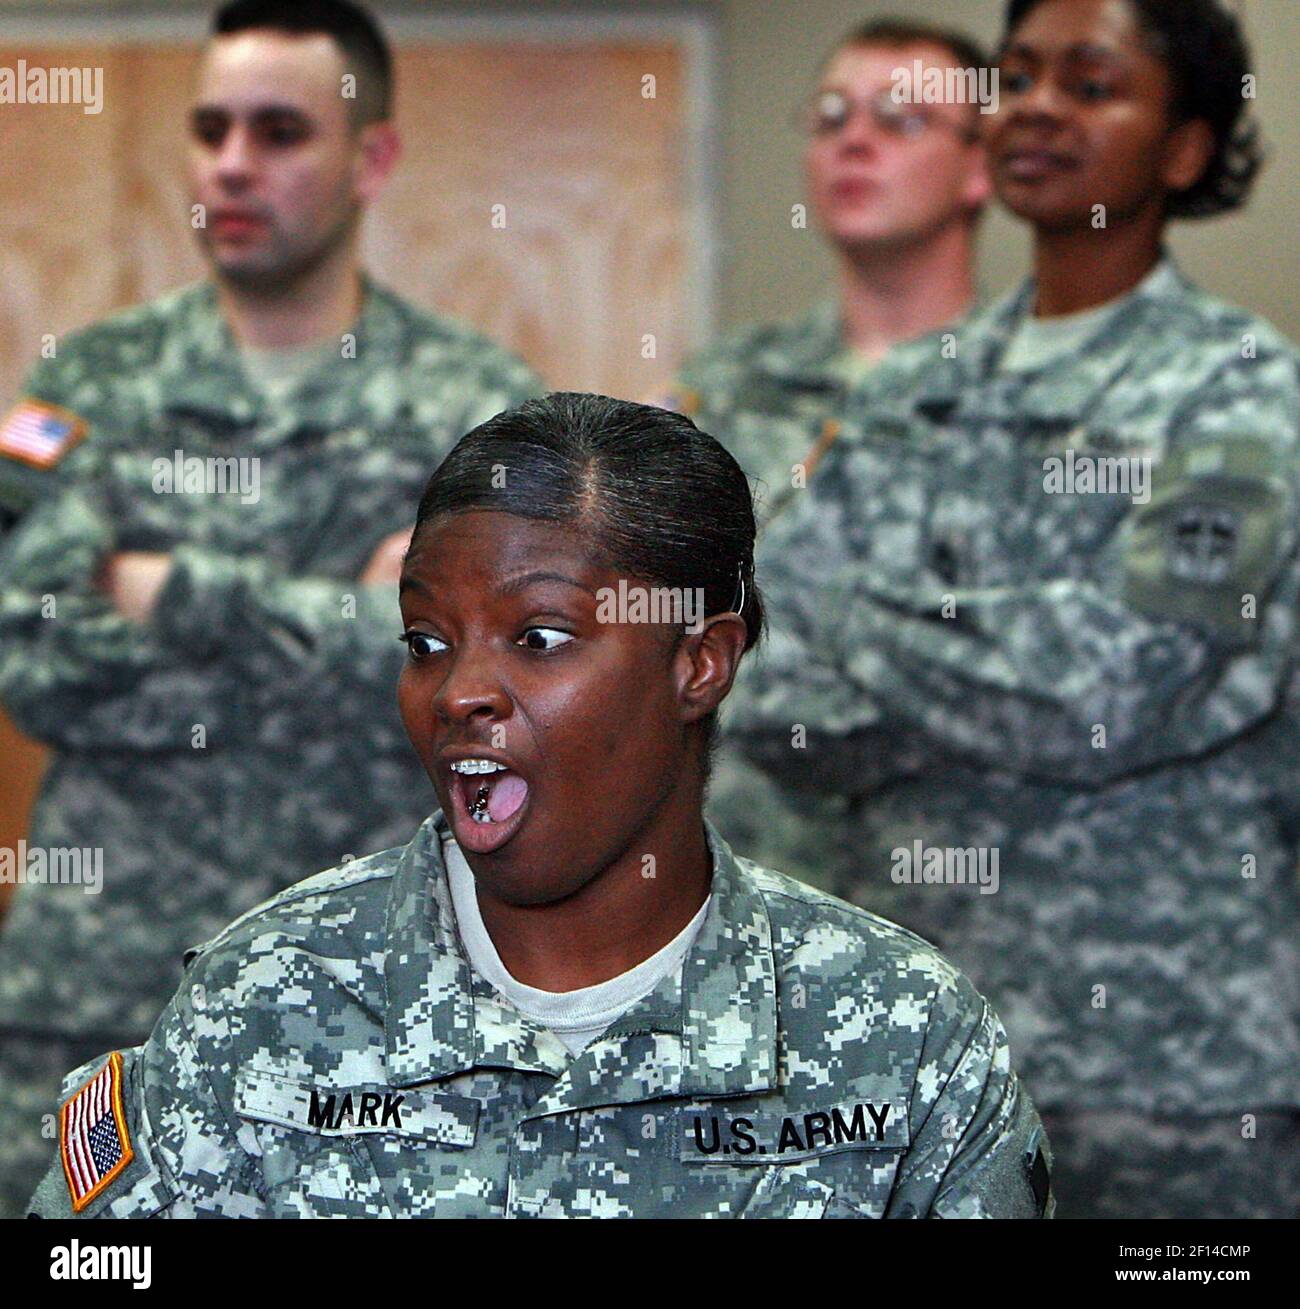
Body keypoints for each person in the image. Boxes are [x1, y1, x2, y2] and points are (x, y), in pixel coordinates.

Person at [26, 393, 1052, 1219]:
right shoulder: (259, 1001)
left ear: (699, 661)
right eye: (427, 641)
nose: (460, 690)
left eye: (540, 637)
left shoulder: (903, 1035)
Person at [729, 0, 1300, 1219]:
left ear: (1187, 148)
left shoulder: (1236, 391)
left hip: (1171, 1072)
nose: (1034, 106)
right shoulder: (912, 392)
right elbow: (763, 698)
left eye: (1089, 85)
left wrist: (851, 618)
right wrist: (987, 653)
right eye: (1018, 76)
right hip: (914, 1047)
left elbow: (1115, 684)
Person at [0, 0, 539, 1217]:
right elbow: (35, 662)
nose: (233, 163)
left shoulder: (473, 409)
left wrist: (160, 588)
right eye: (211, 128)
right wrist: (345, 619)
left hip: (371, 989)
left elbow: (480, 687)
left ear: (373, 157)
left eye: (280, 130)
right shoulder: (90, 389)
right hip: (98, 984)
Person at [669, 19, 993, 904]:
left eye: (900, 119)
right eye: (831, 116)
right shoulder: (724, 387)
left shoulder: (1032, 398)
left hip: (959, 889)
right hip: (747, 887)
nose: (855, 139)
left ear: (981, 167)